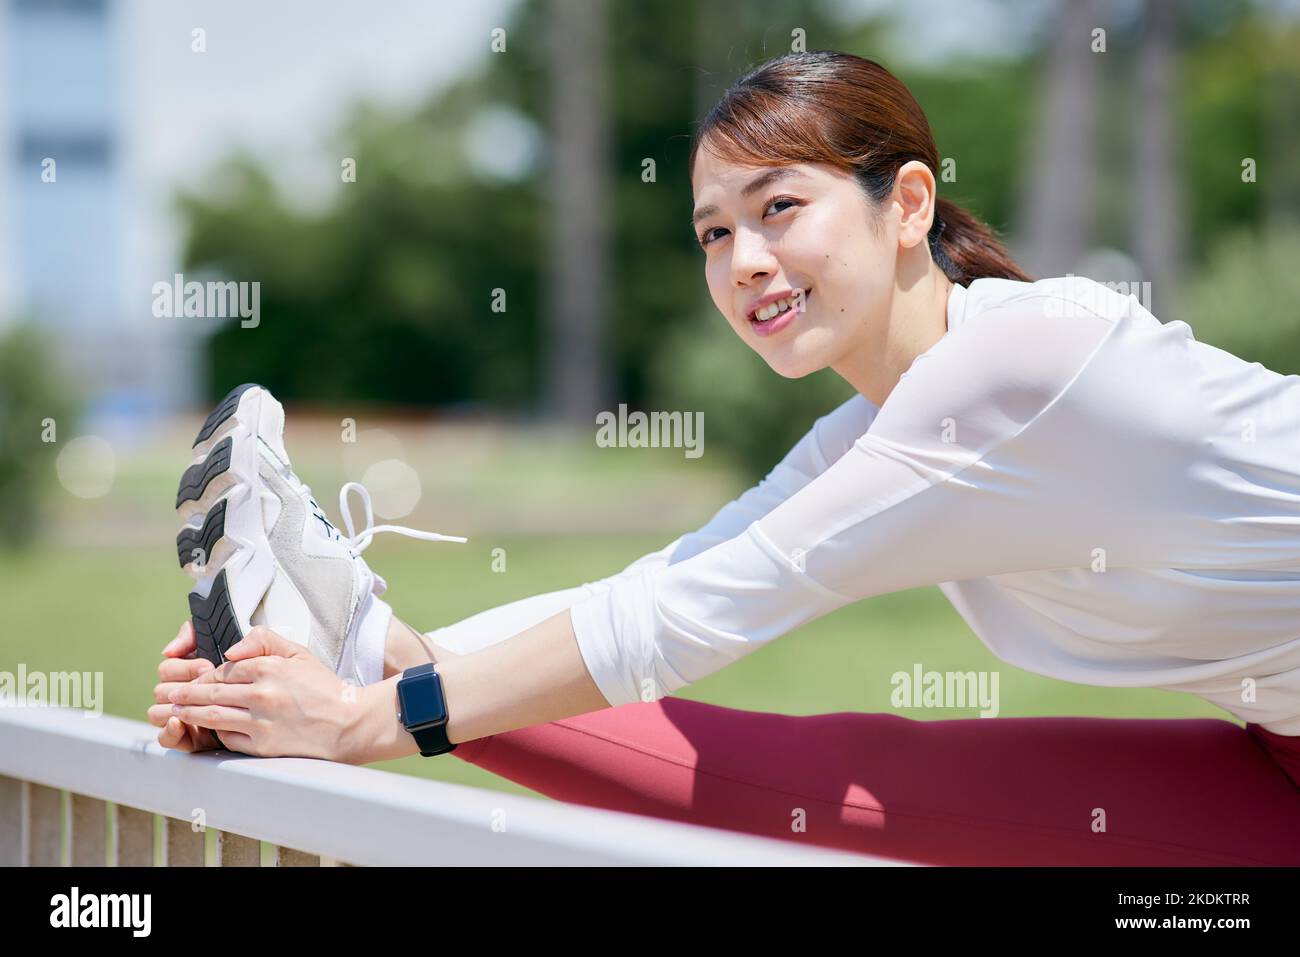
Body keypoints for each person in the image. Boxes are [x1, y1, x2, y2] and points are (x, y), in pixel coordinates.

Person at [150, 50, 1300, 866]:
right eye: (713, 232)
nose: (744, 260)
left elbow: (694, 619)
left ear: (907, 205)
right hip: (1276, 755)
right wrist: (352, 675)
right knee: (811, 784)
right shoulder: (877, 427)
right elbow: (654, 589)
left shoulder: (1010, 374)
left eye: (779, 208)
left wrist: (360, 723)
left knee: (832, 780)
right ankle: (353, 638)